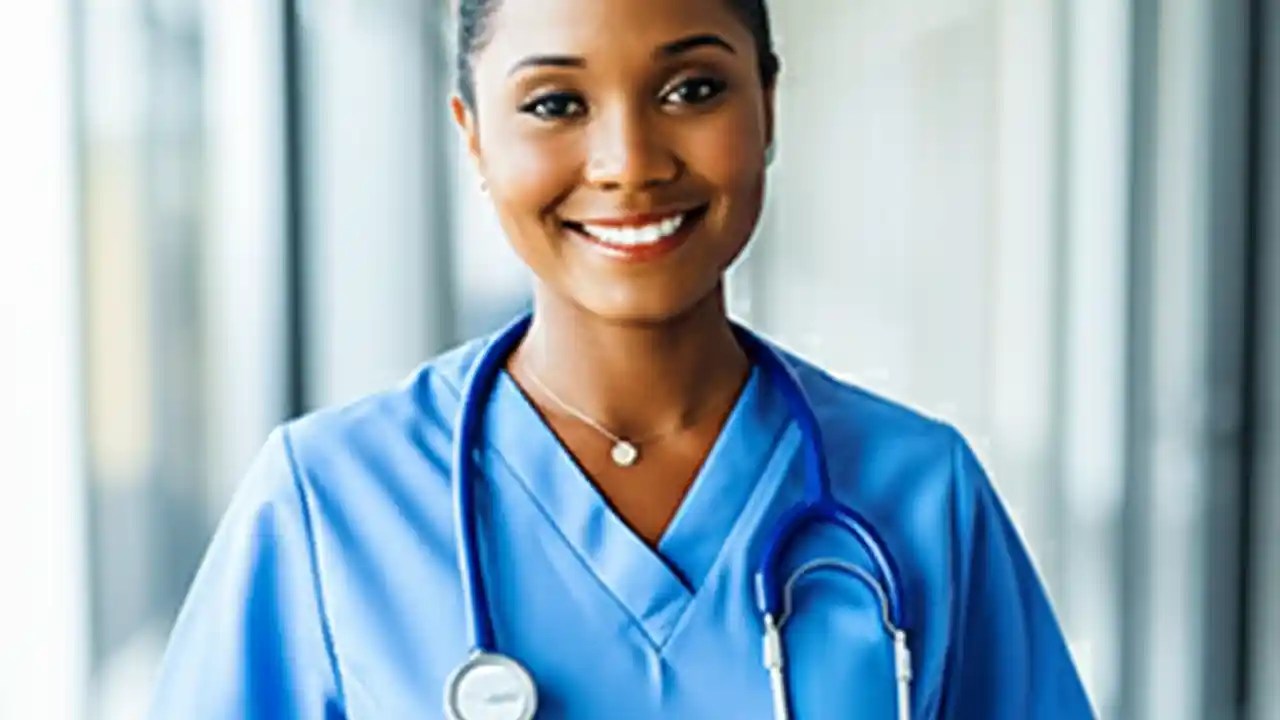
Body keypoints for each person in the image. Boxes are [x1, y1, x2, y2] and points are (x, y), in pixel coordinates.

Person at [148, 0, 1095, 717]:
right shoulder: (331, 503)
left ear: (766, 105)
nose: (629, 161)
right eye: (556, 102)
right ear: (474, 135)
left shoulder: (920, 495)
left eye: (691, 90)